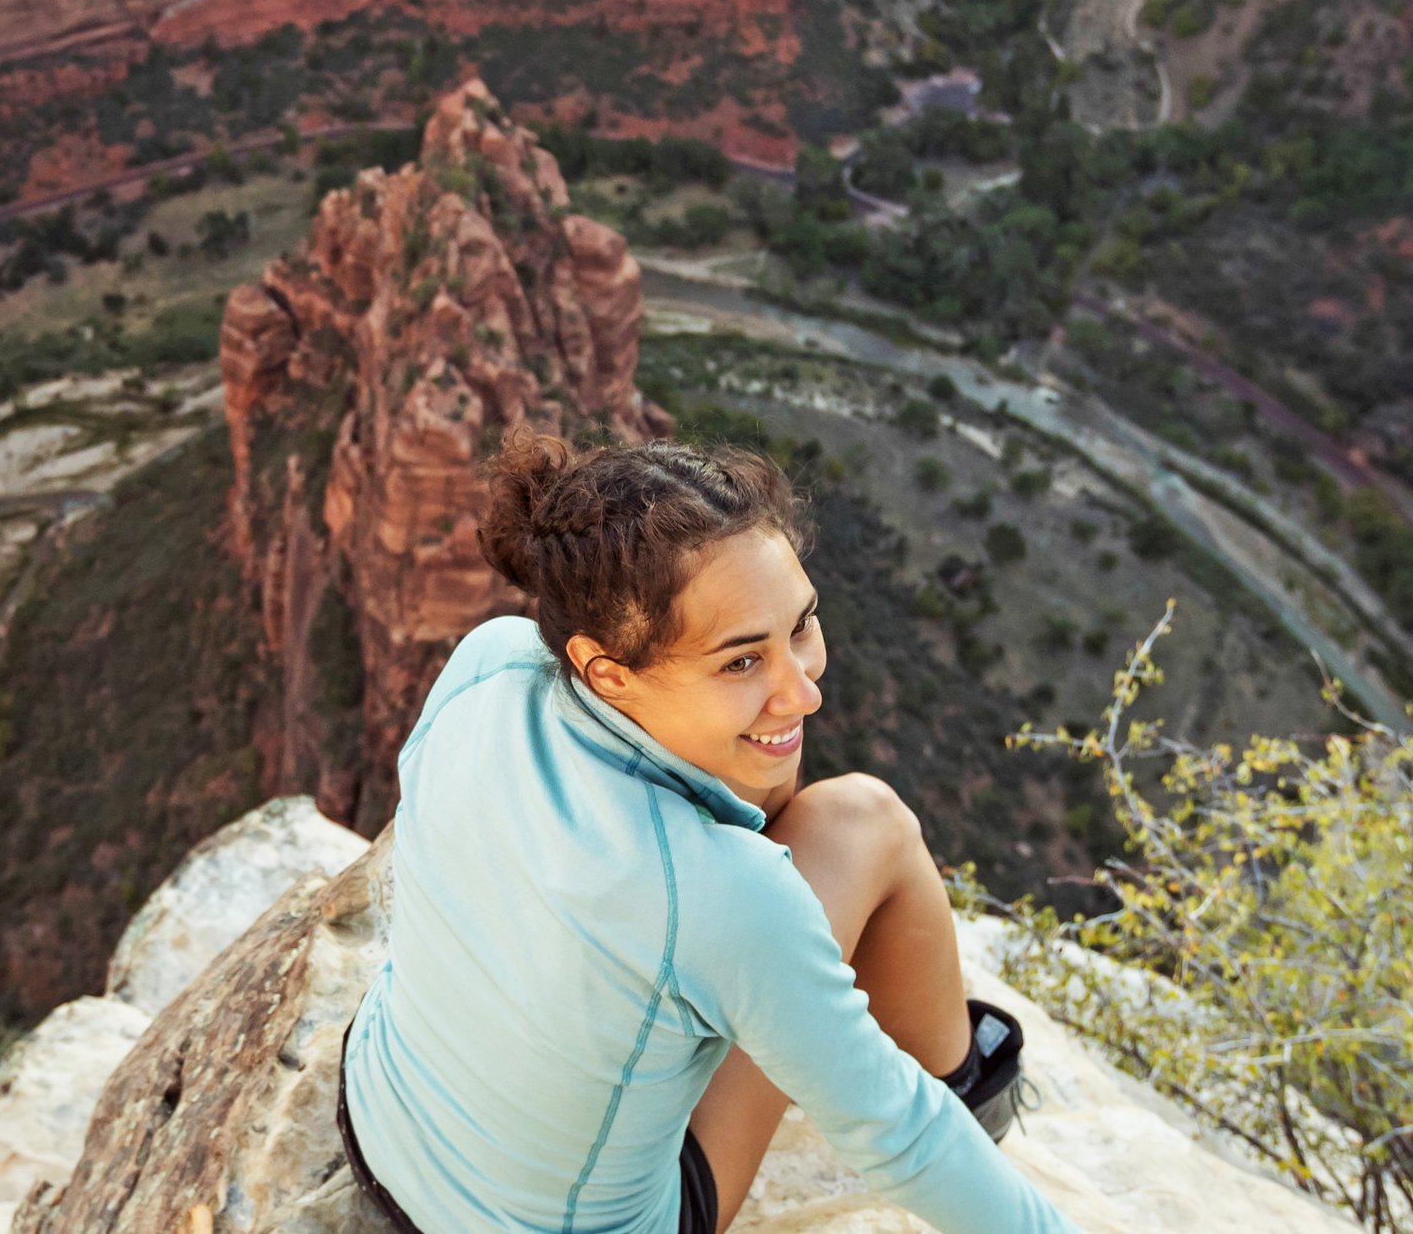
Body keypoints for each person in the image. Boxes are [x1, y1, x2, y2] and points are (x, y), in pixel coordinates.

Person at [336, 429, 1083, 1234]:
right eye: (739, 661)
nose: (803, 692)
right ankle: (971, 1088)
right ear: (607, 670)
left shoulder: (488, 660)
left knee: (775, 790)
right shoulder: (721, 895)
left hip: (377, 1122)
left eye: (800, 625)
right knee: (863, 820)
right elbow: (896, 1133)